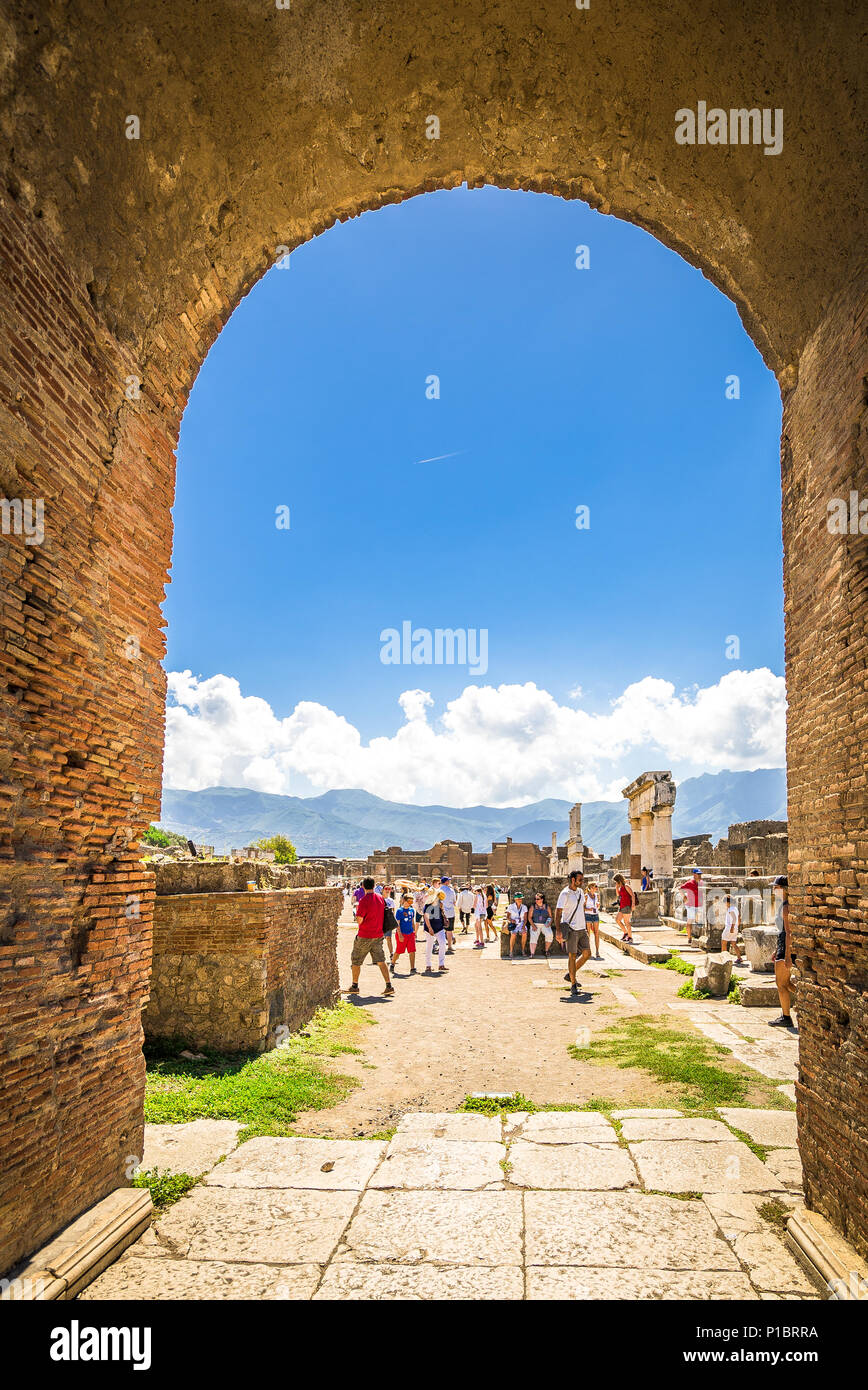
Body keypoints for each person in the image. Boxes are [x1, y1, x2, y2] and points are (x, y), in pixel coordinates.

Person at [348, 877, 394, 996]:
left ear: (363, 886)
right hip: (378, 934)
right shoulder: (380, 898)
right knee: (381, 961)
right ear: (374, 886)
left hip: (365, 935)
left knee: (356, 961)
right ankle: (389, 985)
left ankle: (355, 985)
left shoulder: (364, 900)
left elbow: (359, 920)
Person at [555, 870, 591, 997]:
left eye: (582, 879)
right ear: (573, 880)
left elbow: (581, 909)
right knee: (572, 955)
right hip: (571, 928)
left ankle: (570, 973)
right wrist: (558, 931)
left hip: (582, 928)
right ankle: (573, 983)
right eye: (580, 880)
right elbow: (558, 912)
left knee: (587, 954)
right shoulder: (565, 894)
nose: (582, 882)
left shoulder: (581, 892)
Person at [769, 876, 797, 1030]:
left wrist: (786, 955)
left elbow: (789, 933)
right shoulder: (784, 905)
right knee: (785, 983)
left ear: (784, 889)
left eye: (776, 887)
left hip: (786, 949)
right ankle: (804, 997)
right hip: (783, 947)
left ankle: (786, 1017)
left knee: (780, 984)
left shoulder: (787, 907)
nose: (774, 890)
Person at [423, 889, 449, 973]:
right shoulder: (428, 905)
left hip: (439, 927)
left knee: (443, 943)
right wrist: (430, 928)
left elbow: (441, 914)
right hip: (429, 928)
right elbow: (426, 917)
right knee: (429, 946)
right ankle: (428, 965)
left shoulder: (439, 904)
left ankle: (441, 964)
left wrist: (442, 910)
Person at [393, 892, 418, 974]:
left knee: (412, 951)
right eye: (408, 901)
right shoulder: (400, 911)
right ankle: (392, 963)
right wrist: (400, 935)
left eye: (411, 901)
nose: (409, 903)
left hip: (410, 933)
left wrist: (414, 932)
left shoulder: (412, 910)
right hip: (402, 934)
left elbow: (412, 922)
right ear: (404, 900)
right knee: (399, 951)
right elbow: (398, 924)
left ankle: (412, 968)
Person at [679, 868, 703, 944]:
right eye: (698, 874)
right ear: (694, 875)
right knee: (690, 921)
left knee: (699, 921)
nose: (700, 876)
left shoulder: (701, 883)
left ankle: (697, 937)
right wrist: (684, 897)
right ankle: (689, 938)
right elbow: (680, 888)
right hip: (690, 905)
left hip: (698, 905)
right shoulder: (690, 883)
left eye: (700, 874)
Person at [721, 893, 744, 963]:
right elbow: (739, 918)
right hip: (735, 928)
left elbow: (734, 918)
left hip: (729, 927)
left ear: (728, 902)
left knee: (723, 942)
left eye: (725, 903)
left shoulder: (730, 909)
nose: (725, 904)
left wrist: (732, 927)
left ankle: (724, 958)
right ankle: (739, 958)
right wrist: (736, 927)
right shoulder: (735, 909)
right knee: (734, 943)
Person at [529, 892, 553, 958]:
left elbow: (550, 917)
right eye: (535, 899)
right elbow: (529, 917)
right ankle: (532, 953)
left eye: (537, 899)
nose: (536, 900)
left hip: (545, 924)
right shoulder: (533, 907)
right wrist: (533, 925)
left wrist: (549, 923)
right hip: (535, 924)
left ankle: (546, 950)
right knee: (533, 936)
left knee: (550, 934)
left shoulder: (547, 907)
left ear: (542, 899)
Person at [613, 872, 636, 943]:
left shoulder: (626, 886)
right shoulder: (621, 887)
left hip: (627, 906)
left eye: (616, 882)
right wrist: (616, 887)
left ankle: (630, 937)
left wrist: (633, 904)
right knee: (617, 920)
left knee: (626, 922)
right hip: (622, 906)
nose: (616, 883)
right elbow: (618, 895)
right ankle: (625, 933)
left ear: (619, 880)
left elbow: (632, 895)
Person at [507, 892, 528, 957]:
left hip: (521, 923)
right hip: (514, 923)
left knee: (524, 933)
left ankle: (523, 950)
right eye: (519, 899)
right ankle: (511, 951)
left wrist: (523, 926)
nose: (520, 900)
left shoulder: (524, 907)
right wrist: (511, 920)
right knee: (513, 934)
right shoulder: (511, 906)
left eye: (521, 899)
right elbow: (507, 917)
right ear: (515, 899)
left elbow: (525, 919)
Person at [583, 881, 601, 958]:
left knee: (596, 933)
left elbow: (598, 907)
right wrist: (588, 909)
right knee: (588, 934)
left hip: (595, 915)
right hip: (588, 915)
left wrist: (598, 906)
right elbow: (582, 907)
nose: (595, 888)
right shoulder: (586, 896)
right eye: (594, 887)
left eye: (596, 887)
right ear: (590, 888)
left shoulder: (597, 895)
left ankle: (597, 951)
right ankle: (589, 951)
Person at [439, 876, 457, 952]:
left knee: (440, 930)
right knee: (449, 930)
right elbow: (454, 902)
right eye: (448, 881)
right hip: (450, 912)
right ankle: (449, 946)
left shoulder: (438, 890)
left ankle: (441, 946)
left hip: (440, 913)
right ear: (446, 882)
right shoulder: (451, 890)